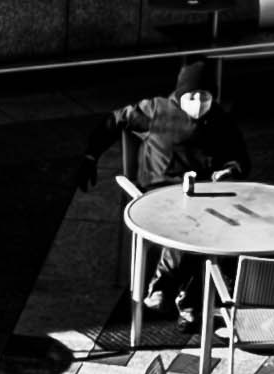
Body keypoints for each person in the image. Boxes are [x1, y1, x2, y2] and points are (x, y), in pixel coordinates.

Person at [90, 61, 250, 317]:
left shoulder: (220, 120)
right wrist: (91, 156)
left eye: (205, 96)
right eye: (193, 96)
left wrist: (230, 170)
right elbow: (115, 120)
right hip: (158, 191)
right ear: (181, 94)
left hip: (204, 193)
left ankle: (191, 297)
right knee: (192, 224)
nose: (199, 102)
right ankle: (165, 287)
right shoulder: (155, 110)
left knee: (224, 226)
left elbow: (240, 157)